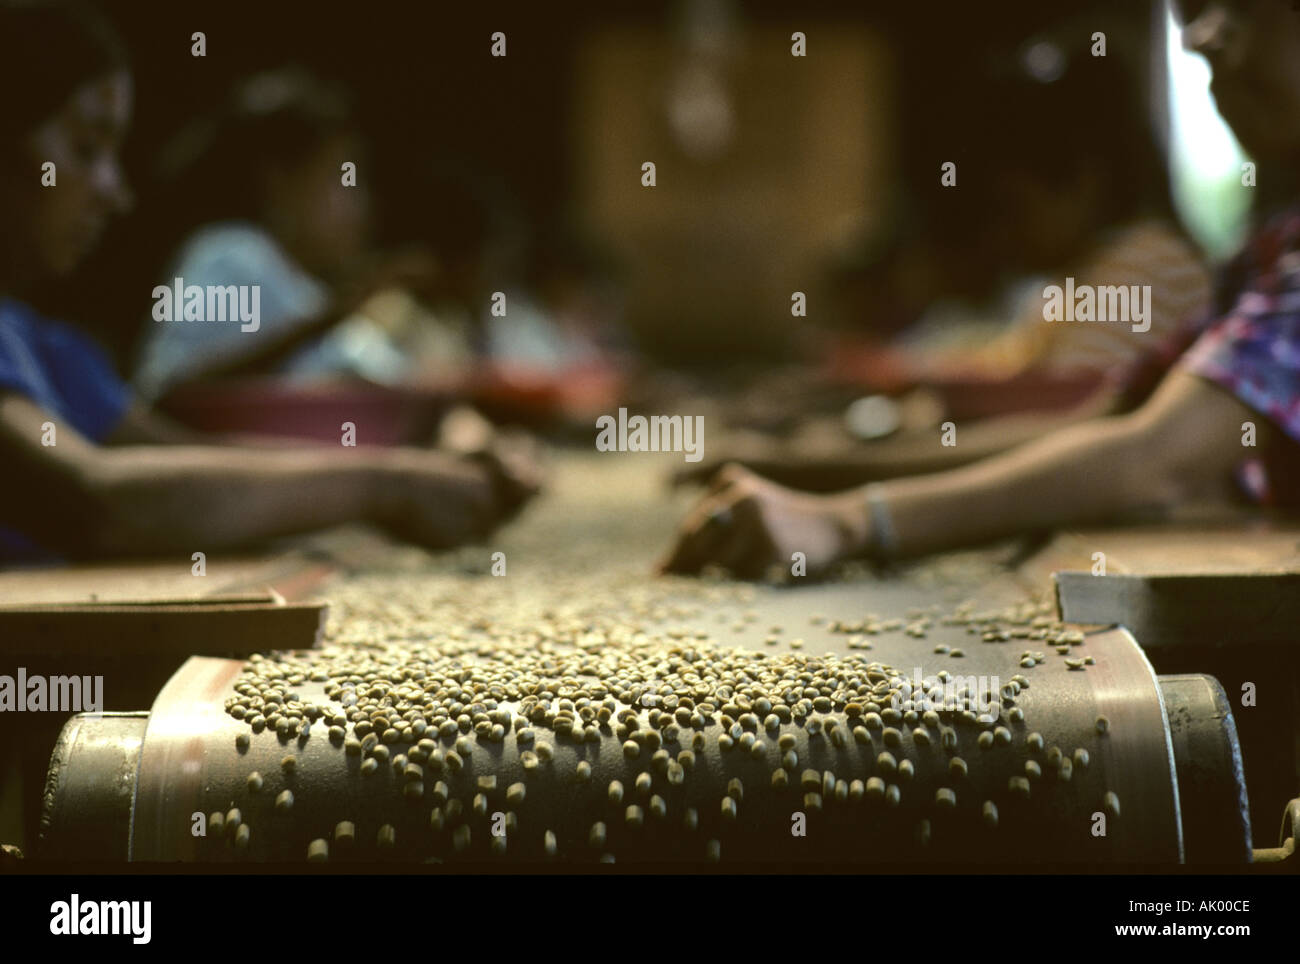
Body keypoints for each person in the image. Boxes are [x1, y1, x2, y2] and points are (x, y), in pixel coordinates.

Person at [663, 0, 1300, 578]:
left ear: (1080, 181)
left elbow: (1151, 460)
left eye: (1244, 5)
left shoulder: (1149, 264)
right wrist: (807, 474)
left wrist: (848, 521)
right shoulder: (1262, 257)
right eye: (1195, 12)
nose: (1204, 39)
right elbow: (1094, 421)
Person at [0, 0, 536, 564]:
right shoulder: (234, 259)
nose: (116, 193)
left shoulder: (48, 348)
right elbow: (98, 501)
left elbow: (190, 457)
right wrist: (382, 487)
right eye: (86, 148)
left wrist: (424, 470)